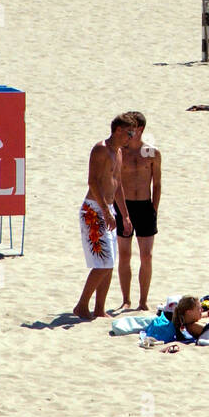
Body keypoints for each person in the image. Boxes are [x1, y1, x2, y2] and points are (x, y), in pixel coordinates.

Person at [73, 114, 136, 321]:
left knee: (110, 260)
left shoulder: (118, 153)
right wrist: (106, 212)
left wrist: (124, 215)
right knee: (104, 263)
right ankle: (82, 305)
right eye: (129, 132)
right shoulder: (100, 149)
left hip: (108, 209)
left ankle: (99, 308)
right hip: (93, 210)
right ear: (118, 130)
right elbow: (92, 182)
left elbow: (117, 185)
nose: (131, 137)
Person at [113, 112, 159, 313]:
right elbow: (115, 181)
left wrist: (154, 209)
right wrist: (122, 211)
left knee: (146, 256)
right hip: (124, 205)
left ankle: (143, 300)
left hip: (145, 206)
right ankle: (126, 299)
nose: (129, 133)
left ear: (141, 129)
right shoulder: (120, 152)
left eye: (133, 129)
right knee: (124, 254)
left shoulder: (152, 153)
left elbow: (157, 183)